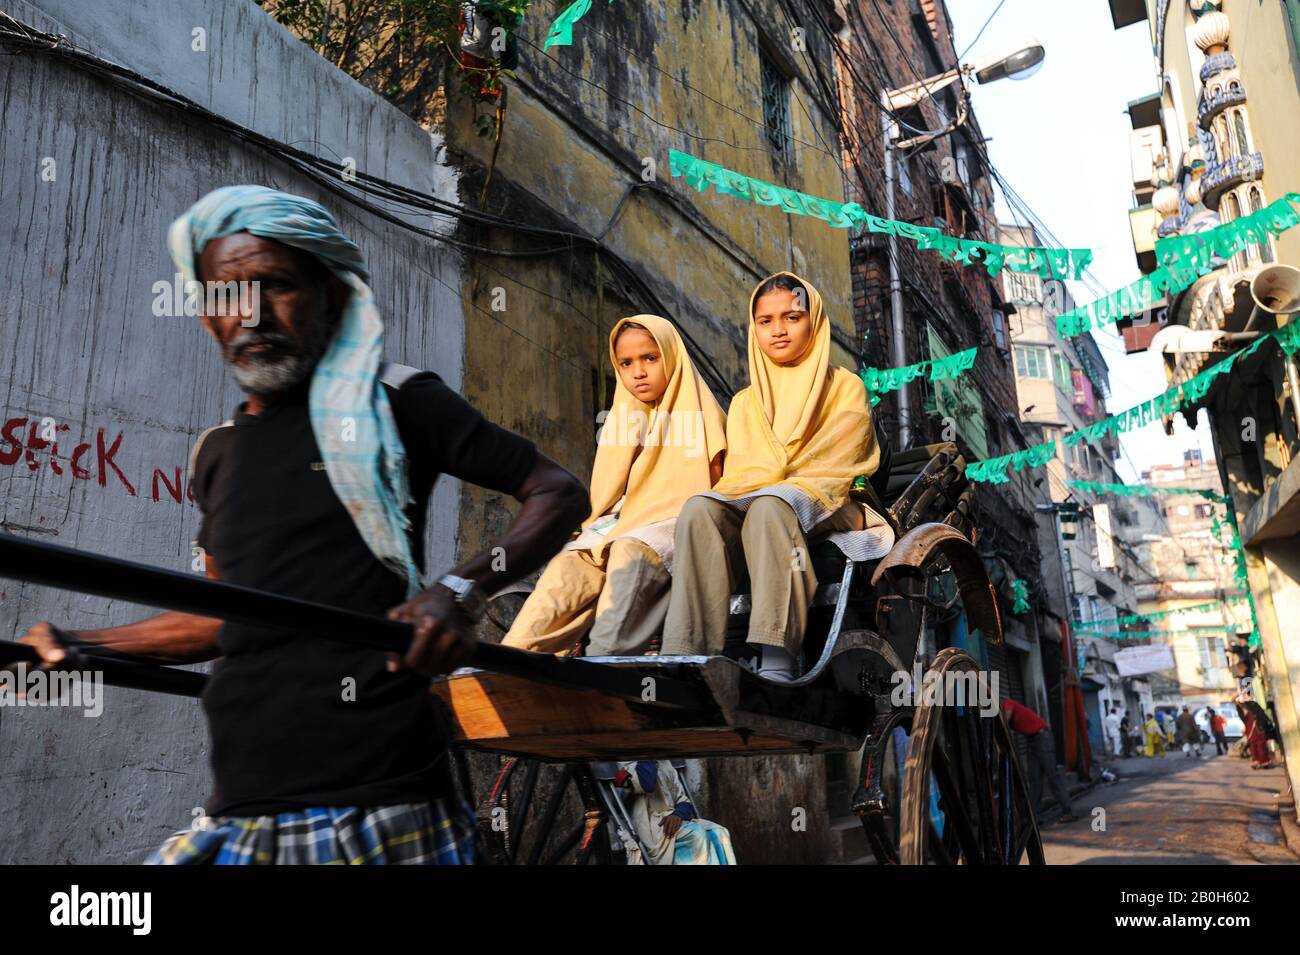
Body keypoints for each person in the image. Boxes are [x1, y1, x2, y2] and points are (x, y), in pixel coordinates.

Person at [20, 186, 590, 864]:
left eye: (278, 285)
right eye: (229, 295)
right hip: (247, 807)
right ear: (207, 316)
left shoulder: (398, 401)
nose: (253, 313)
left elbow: (557, 492)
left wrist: (461, 589)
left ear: (333, 296)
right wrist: (84, 641)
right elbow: (225, 614)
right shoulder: (216, 453)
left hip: (386, 807)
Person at [659, 272, 893, 680]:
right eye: (765, 321)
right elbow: (740, 475)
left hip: (829, 499)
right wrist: (760, 488)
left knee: (771, 504)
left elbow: (839, 464)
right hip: (759, 498)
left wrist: (777, 486)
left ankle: (777, 653)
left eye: (791, 317)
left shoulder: (845, 387)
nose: (778, 330)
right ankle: (686, 654)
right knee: (699, 509)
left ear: (814, 321)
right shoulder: (745, 402)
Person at [503, 315, 726, 656]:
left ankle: (603, 668)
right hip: (620, 523)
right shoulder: (621, 418)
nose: (638, 372)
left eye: (650, 358)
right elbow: (607, 497)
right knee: (568, 562)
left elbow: (717, 496)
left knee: (630, 554)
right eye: (626, 363)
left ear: (672, 356)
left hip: (672, 525)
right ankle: (511, 662)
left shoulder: (706, 415)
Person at [613, 761, 735, 865]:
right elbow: (647, 784)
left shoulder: (665, 763)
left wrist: (678, 814)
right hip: (652, 829)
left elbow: (683, 800)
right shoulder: (626, 763)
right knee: (696, 834)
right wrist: (647, 753)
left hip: (674, 821)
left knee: (719, 832)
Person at [1001, 698, 1077, 824]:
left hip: (1042, 738)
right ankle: (1034, 817)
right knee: (1034, 779)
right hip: (1031, 740)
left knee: (1052, 776)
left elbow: (1005, 721)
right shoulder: (1003, 710)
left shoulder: (1007, 704)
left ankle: (1069, 812)